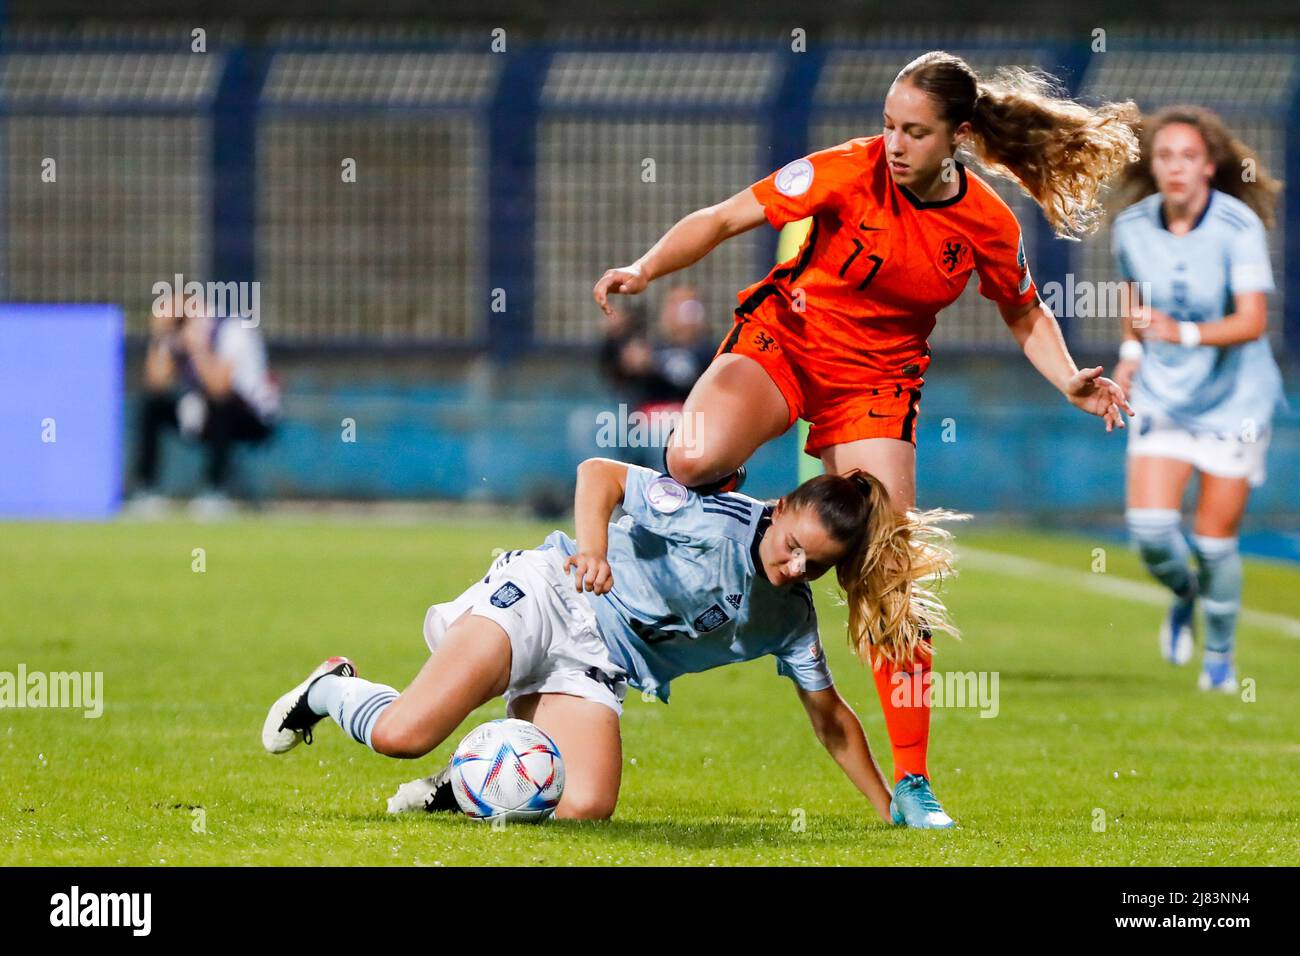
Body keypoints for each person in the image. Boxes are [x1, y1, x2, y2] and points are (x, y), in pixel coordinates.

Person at [591, 50, 1139, 827]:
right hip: (787, 341)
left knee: (888, 579)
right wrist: (644, 269)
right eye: (889, 125)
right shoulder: (846, 170)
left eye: (915, 131)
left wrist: (1069, 379)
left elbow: (1024, 311)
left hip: (876, 387)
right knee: (693, 455)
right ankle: (725, 531)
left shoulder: (984, 219)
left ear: (957, 136)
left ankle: (912, 782)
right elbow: (722, 219)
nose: (895, 143)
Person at [262, 457, 964, 825]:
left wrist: (888, 807)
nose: (795, 568)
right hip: (551, 594)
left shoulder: (790, 619)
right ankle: (331, 686)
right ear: (779, 511)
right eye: (791, 548)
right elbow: (599, 476)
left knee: (583, 806)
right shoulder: (712, 517)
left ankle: (462, 786)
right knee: (403, 735)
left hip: (596, 665)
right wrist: (593, 550)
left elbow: (831, 721)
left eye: (815, 565)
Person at [1111, 105, 1285, 691]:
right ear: (1153, 166)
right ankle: (1184, 595)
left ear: (1208, 166)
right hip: (1165, 394)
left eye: (1188, 157)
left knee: (1213, 544)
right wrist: (1131, 356)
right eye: (1165, 157)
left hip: (1236, 401)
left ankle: (1221, 656)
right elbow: (1133, 302)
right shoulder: (1131, 227)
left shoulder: (1238, 228)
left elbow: (1253, 321)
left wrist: (1179, 332)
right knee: (1153, 529)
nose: (1176, 168)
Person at [129, 296, 279, 517]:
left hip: (252, 416)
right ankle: (147, 491)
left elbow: (220, 387)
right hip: (205, 411)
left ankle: (215, 492)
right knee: (153, 407)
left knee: (220, 405)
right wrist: (161, 338)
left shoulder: (233, 329)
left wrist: (197, 347)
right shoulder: (177, 335)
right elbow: (156, 384)